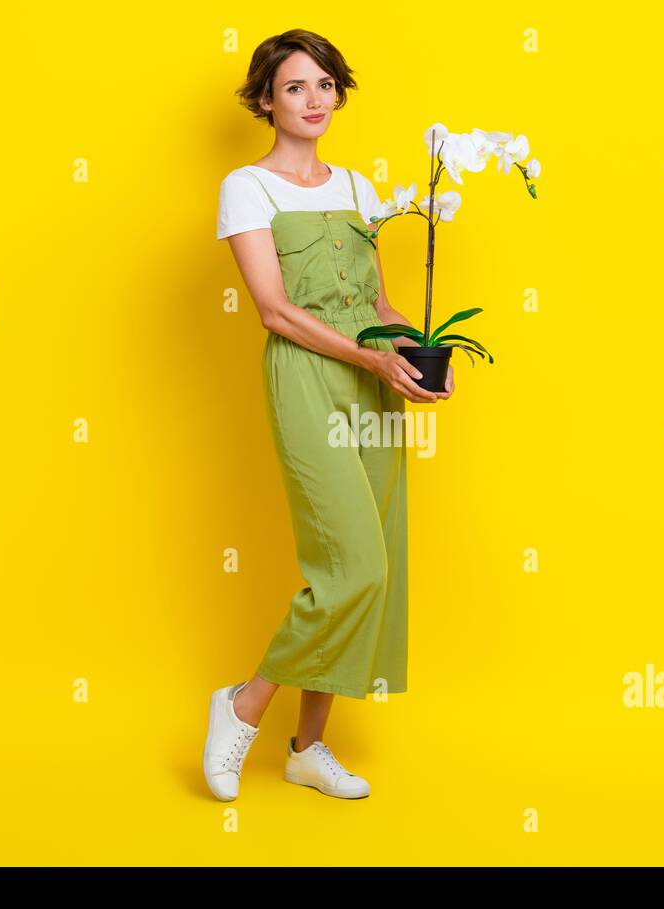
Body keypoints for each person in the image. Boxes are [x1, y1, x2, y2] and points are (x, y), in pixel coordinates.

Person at [203, 29, 452, 801]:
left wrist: (418, 347)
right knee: (352, 566)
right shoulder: (248, 187)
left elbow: (373, 304)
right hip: (309, 380)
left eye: (324, 85)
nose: (313, 101)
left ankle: (309, 748)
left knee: (371, 574)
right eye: (294, 88)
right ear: (266, 101)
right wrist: (373, 358)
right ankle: (241, 704)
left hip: (374, 385)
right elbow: (275, 311)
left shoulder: (360, 189)